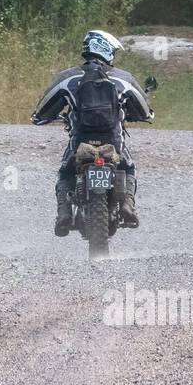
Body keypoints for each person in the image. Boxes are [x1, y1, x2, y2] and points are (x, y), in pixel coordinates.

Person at [31, 30, 152, 236]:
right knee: (128, 167)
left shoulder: (68, 78)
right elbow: (144, 111)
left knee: (65, 172)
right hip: (113, 142)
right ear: (105, 50)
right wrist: (142, 114)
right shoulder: (124, 79)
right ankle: (128, 206)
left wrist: (40, 118)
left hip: (80, 143)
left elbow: (42, 112)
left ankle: (64, 215)